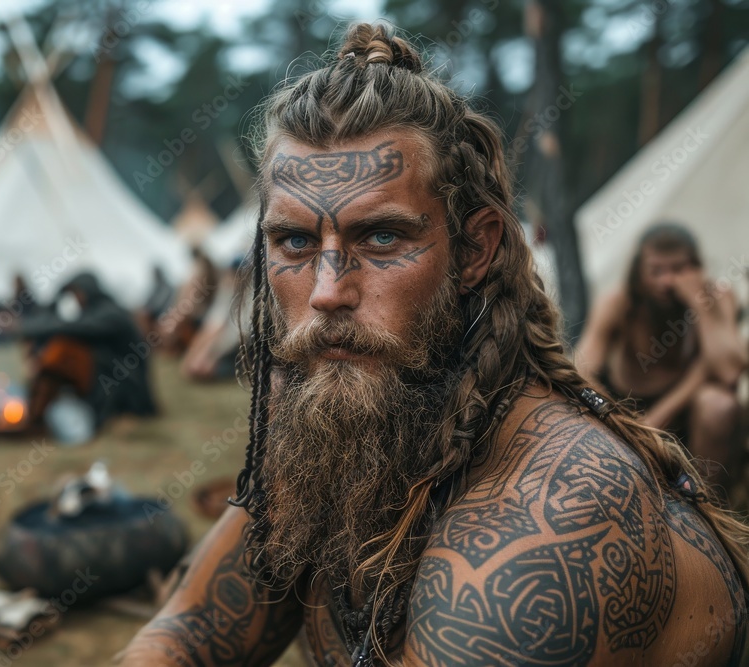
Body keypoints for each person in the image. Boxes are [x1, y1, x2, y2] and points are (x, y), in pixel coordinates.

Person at [119, 23, 749, 667]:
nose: (328, 292)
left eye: (382, 238)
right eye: (296, 243)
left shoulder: (556, 519)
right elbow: (190, 633)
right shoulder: (335, 436)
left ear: (476, 249)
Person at [576, 223, 747, 492]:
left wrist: (699, 304)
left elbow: (729, 371)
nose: (667, 282)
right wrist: (621, 423)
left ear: (697, 268)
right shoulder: (619, 303)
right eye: (656, 271)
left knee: (719, 405)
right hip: (623, 411)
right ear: (639, 272)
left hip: (686, 421)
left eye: (678, 270)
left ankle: (705, 507)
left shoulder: (717, 298)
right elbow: (581, 374)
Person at [18, 272, 156, 429]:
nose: (75, 299)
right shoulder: (96, 312)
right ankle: (38, 416)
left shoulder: (110, 314)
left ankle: (37, 418)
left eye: (76, 293)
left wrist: (25, 328)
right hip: (114, 383)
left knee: (65, 350)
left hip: (130, 391)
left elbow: (71, 327)